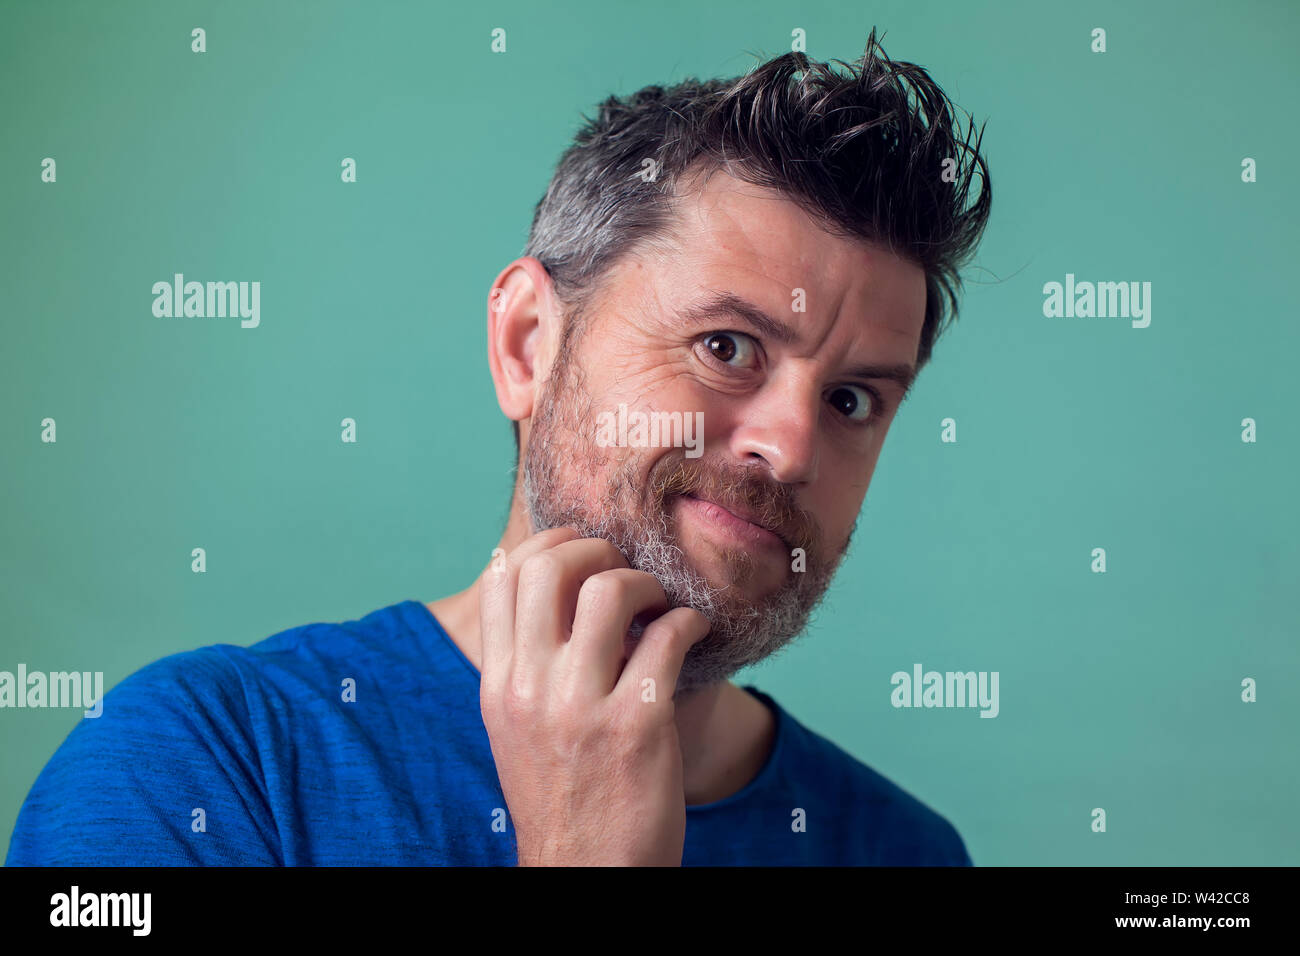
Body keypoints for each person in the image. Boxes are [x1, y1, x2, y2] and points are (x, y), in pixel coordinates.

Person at [7, 27, 991, 866]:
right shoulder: (194, 768)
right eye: (726, 347)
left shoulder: (904, 850)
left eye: (853, 398)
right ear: (528, 343)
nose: (788, 444)